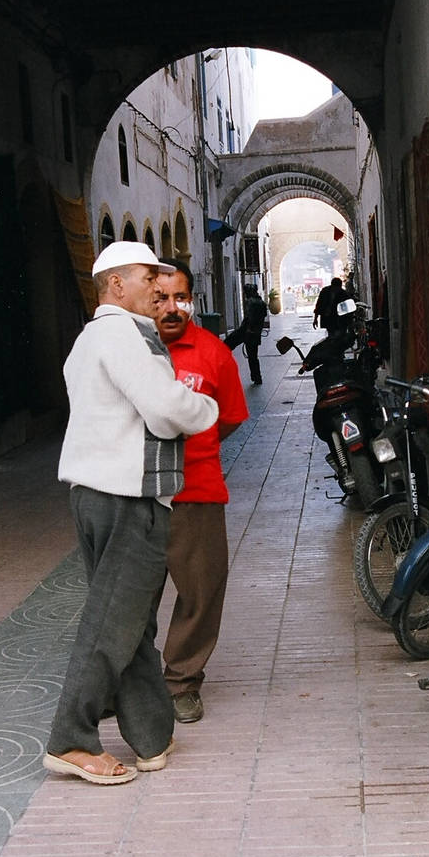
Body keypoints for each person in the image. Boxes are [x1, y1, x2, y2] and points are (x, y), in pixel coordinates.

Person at [43, 241, 219, 785]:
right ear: (117, 284)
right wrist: (203, 409)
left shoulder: (90, 338)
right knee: (112, 622)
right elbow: (166, 411)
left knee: (129, 620)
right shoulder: (121, 334)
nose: (156, 288)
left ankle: (150, 733)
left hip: (97, 496)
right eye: (148, 277)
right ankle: (70, 740)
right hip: (128, 498)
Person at [153, 260, 249, 723]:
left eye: (181, 298)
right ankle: (131, 683)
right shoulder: (132, 350)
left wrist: (195, 449)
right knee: (131, 594)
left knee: (202, 590)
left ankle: (181, 682)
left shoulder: (214, 353)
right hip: (135, 493)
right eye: (162, 298)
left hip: (197, 490)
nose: (172, 308)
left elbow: (228, 417)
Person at [224, 283, 268, 385]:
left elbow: (250, 318)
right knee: (253, 357)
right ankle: (257, 377)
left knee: (226, 346)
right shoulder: (261, 302)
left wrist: (247, 330)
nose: (245, 295)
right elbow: (263, 316)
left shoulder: (251, 302)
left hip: (246, 331)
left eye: (246, 293)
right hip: (255, 333)